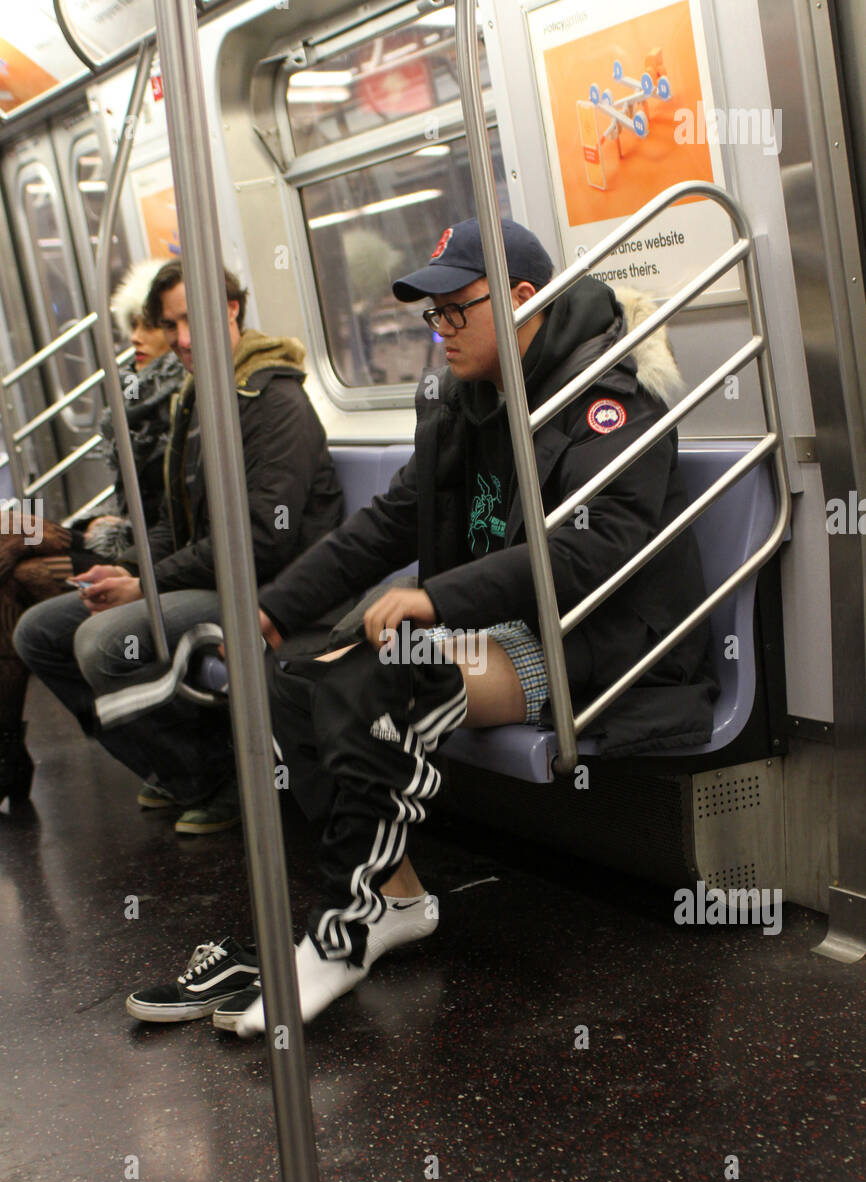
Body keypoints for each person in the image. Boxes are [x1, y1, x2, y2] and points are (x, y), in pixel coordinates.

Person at [125, 216, 716, 1031]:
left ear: (520, 299)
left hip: (593, 637)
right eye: (429, 317)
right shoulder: (464, 398)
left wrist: (435, 603)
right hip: (500, 620)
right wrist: (275, 606)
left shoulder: (612, 395)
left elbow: (593, 552)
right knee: (295, 676)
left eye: (455, 312)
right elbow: (395, 519)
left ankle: (343, 933)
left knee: (387, 673)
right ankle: (393, 897)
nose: (440, 333)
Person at [14, 261, 344, 832]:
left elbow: (263, 540)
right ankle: (183, 768)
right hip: (211, 577)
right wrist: (119, 572)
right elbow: (176, 523)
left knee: (102, 643)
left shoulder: (273, 403)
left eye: (194, 319)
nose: (182, 339)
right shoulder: (195, 401)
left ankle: (219, 776)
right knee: (39, 633)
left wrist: (144, 586)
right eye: (171, 325)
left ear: (232, 309)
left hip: (274, 591)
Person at [0, 260, 184, 807]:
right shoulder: (142, 400)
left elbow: (173, 523)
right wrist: (99, 530)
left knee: (11, 547)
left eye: (149, 324)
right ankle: (8, 752)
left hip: (152, 556)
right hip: (131, 541)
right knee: (15, 570)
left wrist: (101, 539)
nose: (135, 338)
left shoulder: (188, 403)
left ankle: (8, 755)